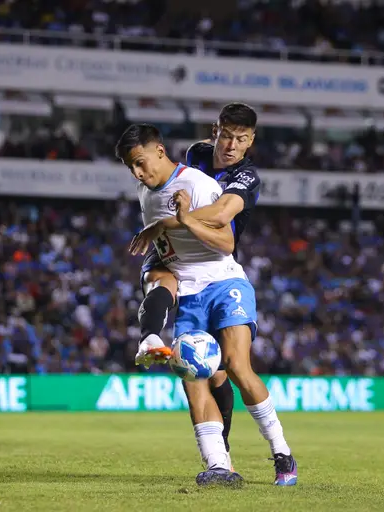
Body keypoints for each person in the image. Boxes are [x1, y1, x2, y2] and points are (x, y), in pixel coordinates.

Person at [116, 124, 297, 487]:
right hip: (188, 292)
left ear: (160, 151)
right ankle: (219, 465)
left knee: (236, 365)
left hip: (223, 280)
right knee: (192, 377)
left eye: (140, 163)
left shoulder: (197, 185)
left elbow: (226, 241)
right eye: (130, 167)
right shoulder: (144, 192)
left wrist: (181, 220)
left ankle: (282, 453)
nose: (137, 173)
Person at [128, 103, 261, 466]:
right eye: (225, 135)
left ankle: (224, 444)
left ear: (250, 141)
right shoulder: (196, 155)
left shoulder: (245, 177)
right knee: (159, 281)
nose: (230, 145)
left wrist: (166, 223)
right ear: (214, 130)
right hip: (177, 257)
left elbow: (219, 217)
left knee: (220, 371)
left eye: (240, 139)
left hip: (214, 260)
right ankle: (150, 337)